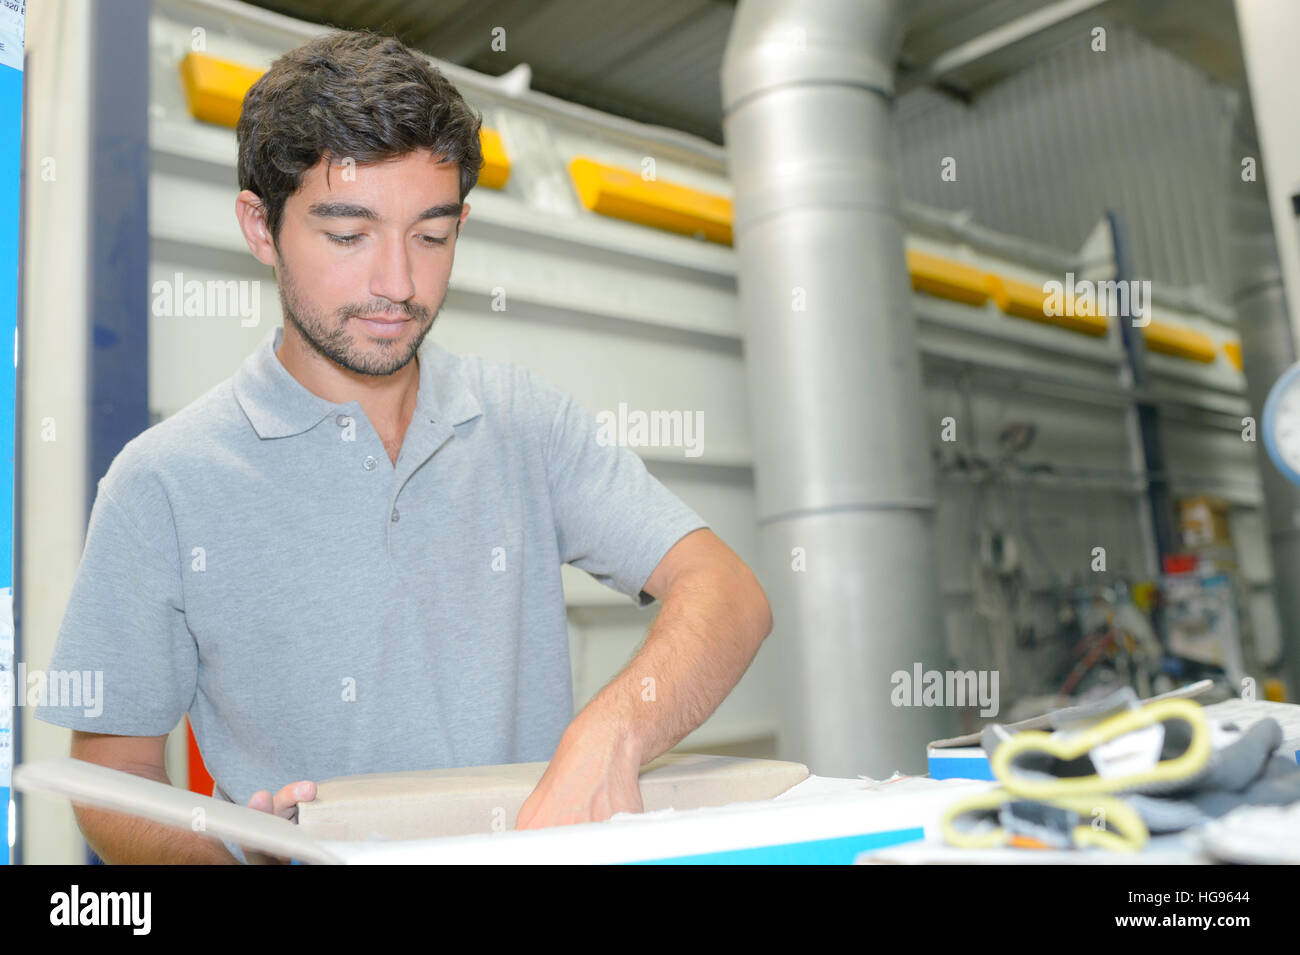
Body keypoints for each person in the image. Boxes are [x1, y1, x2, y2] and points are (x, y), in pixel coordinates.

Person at [34, 29, 771, 864]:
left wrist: (612, 733)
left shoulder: (525, 422)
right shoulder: (162, 482)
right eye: (349, 235)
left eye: (431, 234)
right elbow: (111, 779)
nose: (399, 283)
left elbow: (729, 594)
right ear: (260, 226)